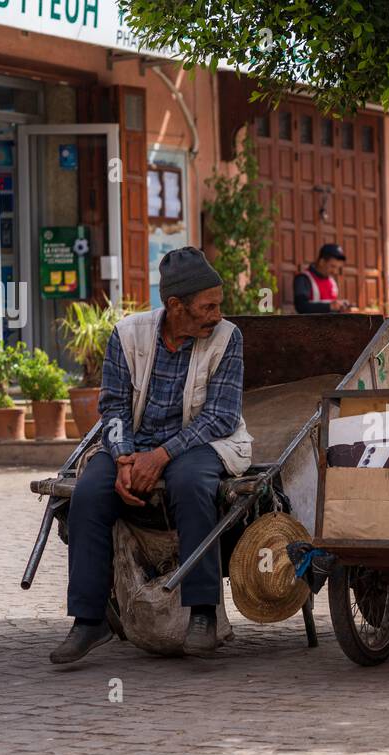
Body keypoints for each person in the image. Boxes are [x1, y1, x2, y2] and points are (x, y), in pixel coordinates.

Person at [50, 247, 252, 665]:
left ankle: (201, 614)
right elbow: (113, 408)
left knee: (192, 484)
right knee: (88, 493)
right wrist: (124, 459)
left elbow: (220, 416)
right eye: (208, 306)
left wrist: (159, 456)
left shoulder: (228, 338)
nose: (217, 314)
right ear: (175, 306)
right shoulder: (127, 334)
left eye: (219, 305)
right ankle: (89, 619)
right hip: (135, 444)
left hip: (201, 444)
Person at [293, 243, 350, 313]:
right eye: (332, 266)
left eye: (338, 268)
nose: (335, 271)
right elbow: (301, 306)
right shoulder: (303, 279)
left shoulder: (332, 281)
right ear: (322, 262)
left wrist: (340, 308)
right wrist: (330, 306)